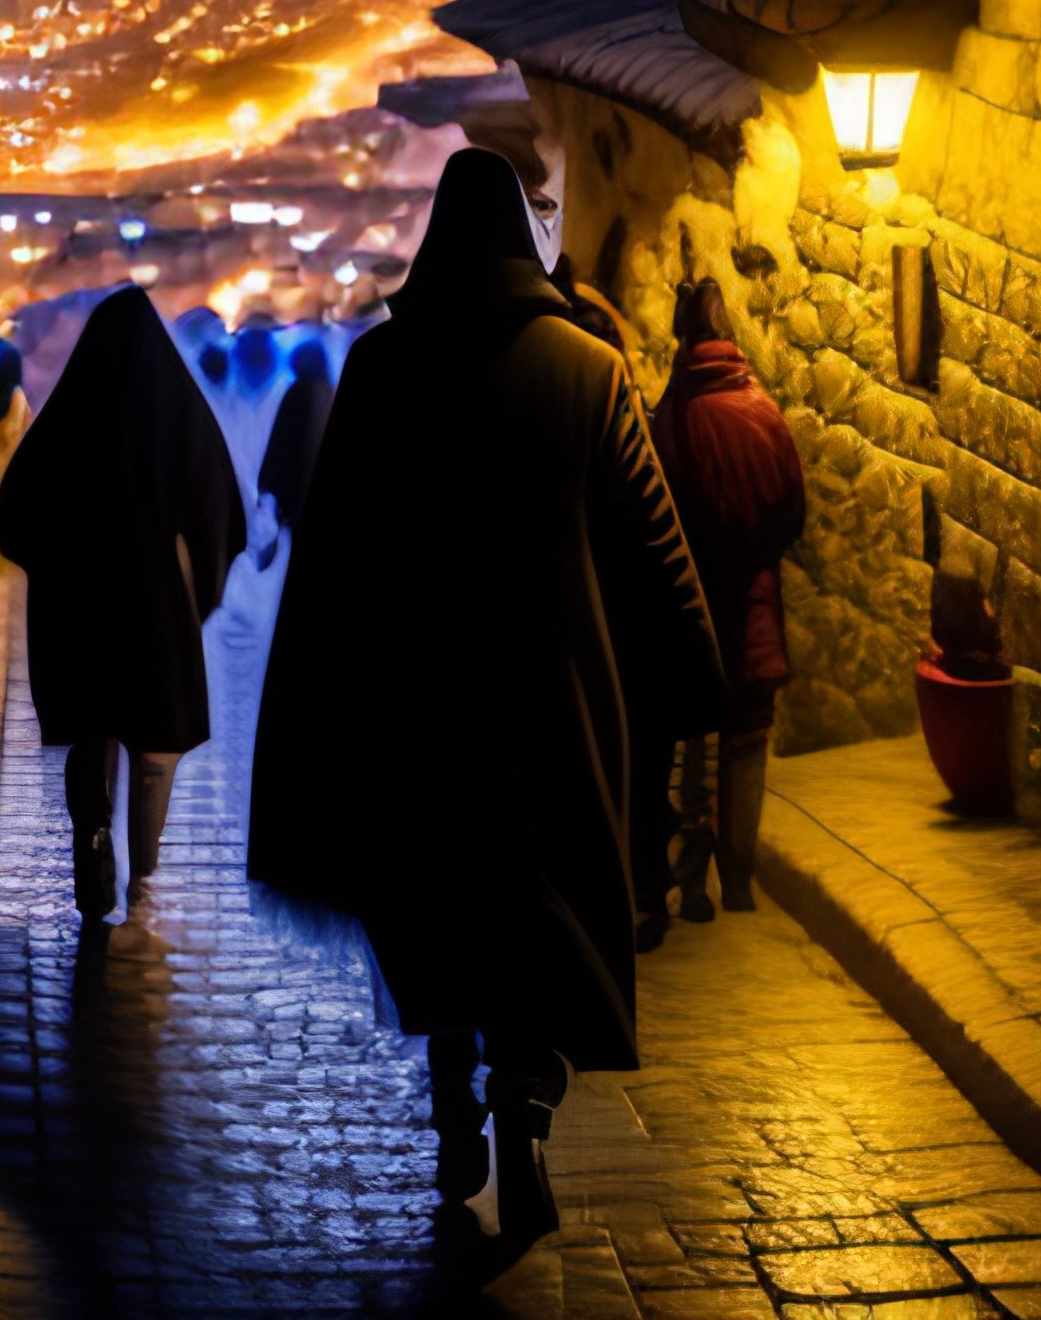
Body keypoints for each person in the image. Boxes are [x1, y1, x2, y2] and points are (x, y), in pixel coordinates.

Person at [247, 148, 723, 1260]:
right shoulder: (586, 371)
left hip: (411, 708)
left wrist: (311, 707)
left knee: (438, 915)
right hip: (551, 702)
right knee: (539, 916)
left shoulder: (377, 367)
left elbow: (329, 554)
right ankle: (525, 1106)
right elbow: (655, 545)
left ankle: (455, 1110)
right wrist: (693, 673)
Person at [0, 282, 246, 923]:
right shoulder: (177, 408)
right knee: (155, 746)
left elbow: (15, 512)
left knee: (93, 726)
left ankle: (92, 842)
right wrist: (203, 592)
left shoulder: (72, 410)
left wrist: (51, 566)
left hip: (81, 606)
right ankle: (145, 883)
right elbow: (218, 505)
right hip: (157, 610)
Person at [643, 279, 806, 925]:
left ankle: (692, 884)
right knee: (748, 743)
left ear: (684, 340)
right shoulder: (763, 410)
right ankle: (739, 878)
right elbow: (793, 510)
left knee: (693, 745)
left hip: (694, 605)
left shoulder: (673, 415)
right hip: (756, 605)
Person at [257, 336, 335, 534]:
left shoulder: (298, 392)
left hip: (293, 494)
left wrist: (267, 483)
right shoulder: (328, 392)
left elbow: (280, 445)